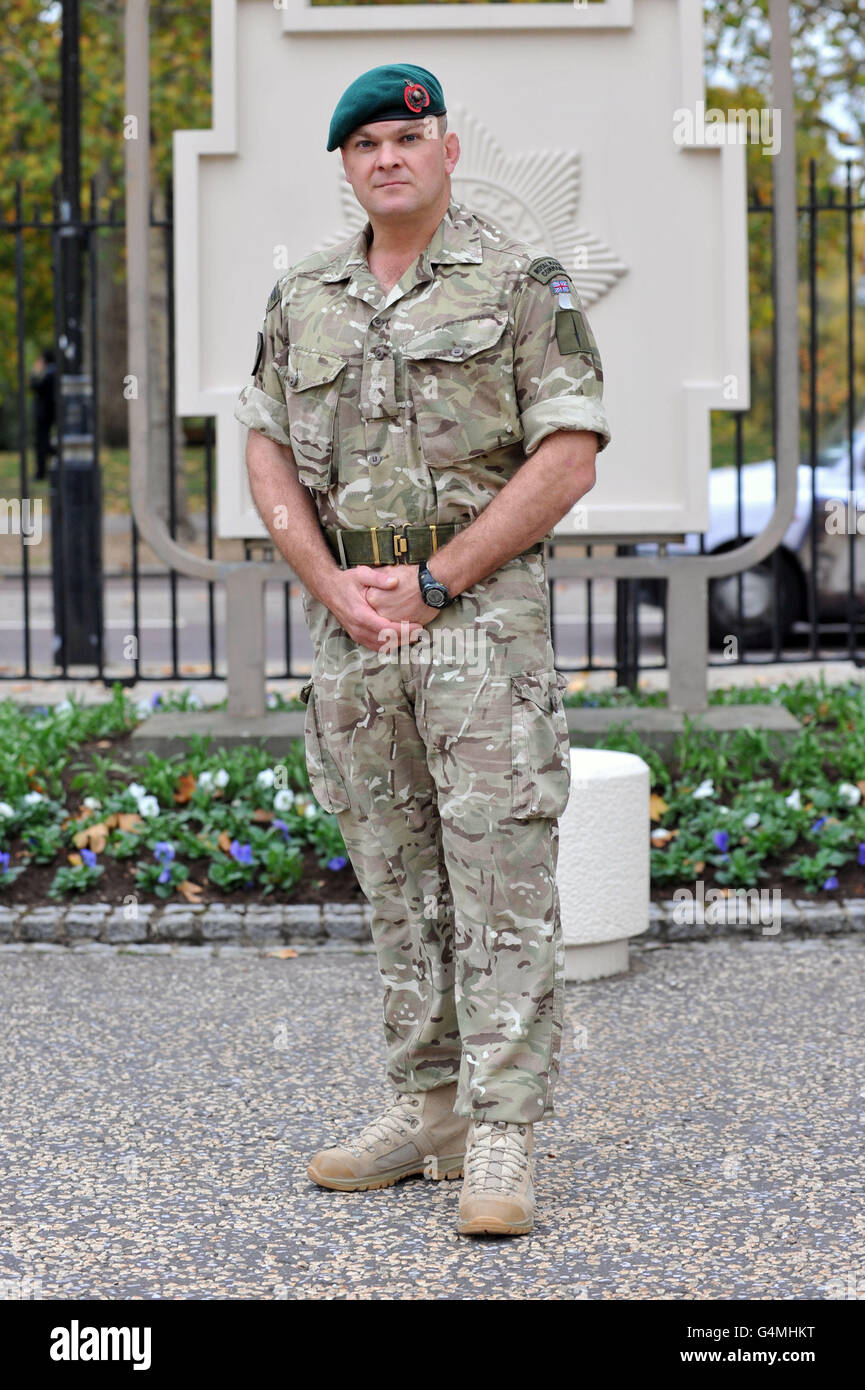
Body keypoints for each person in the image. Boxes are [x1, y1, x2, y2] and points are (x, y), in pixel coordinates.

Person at [234, 63, 612, 1237]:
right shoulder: (304, 294)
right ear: (345, 167)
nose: (386, 156)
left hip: (480, 624)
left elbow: (570, 450)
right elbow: (262, 450)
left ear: (445, 150)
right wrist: (329, 585)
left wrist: (441, 576)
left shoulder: (520, 281)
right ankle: (428, 1107)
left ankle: (501, 1131)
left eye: (407, 136)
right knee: (397, 882)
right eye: (363, 145)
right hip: (356, 630)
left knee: (499, 880)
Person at [30, 348, 57, 481]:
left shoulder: (49, 373)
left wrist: (35, 372)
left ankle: (41, 473)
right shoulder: (52, 372)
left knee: (42, 444)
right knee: (43, 443)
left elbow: (35, 386)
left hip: (44, 414)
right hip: (48, 413)